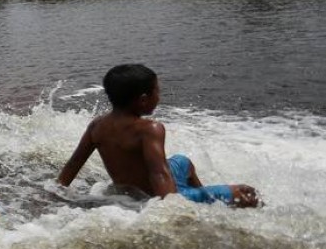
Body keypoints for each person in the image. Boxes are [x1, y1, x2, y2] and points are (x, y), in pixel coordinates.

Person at [57, 64, 259, 207]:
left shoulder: (97, 126)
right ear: (144, 100)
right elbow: (159, 174)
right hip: (157, 196)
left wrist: (58, 190)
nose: (159, 97)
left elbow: (73, 165)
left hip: (129, 191)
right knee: (245, 193)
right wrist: (171, 210)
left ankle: (205, 201)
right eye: (157, 92)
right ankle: (198, 201)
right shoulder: (150, 129)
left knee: (182, 161)